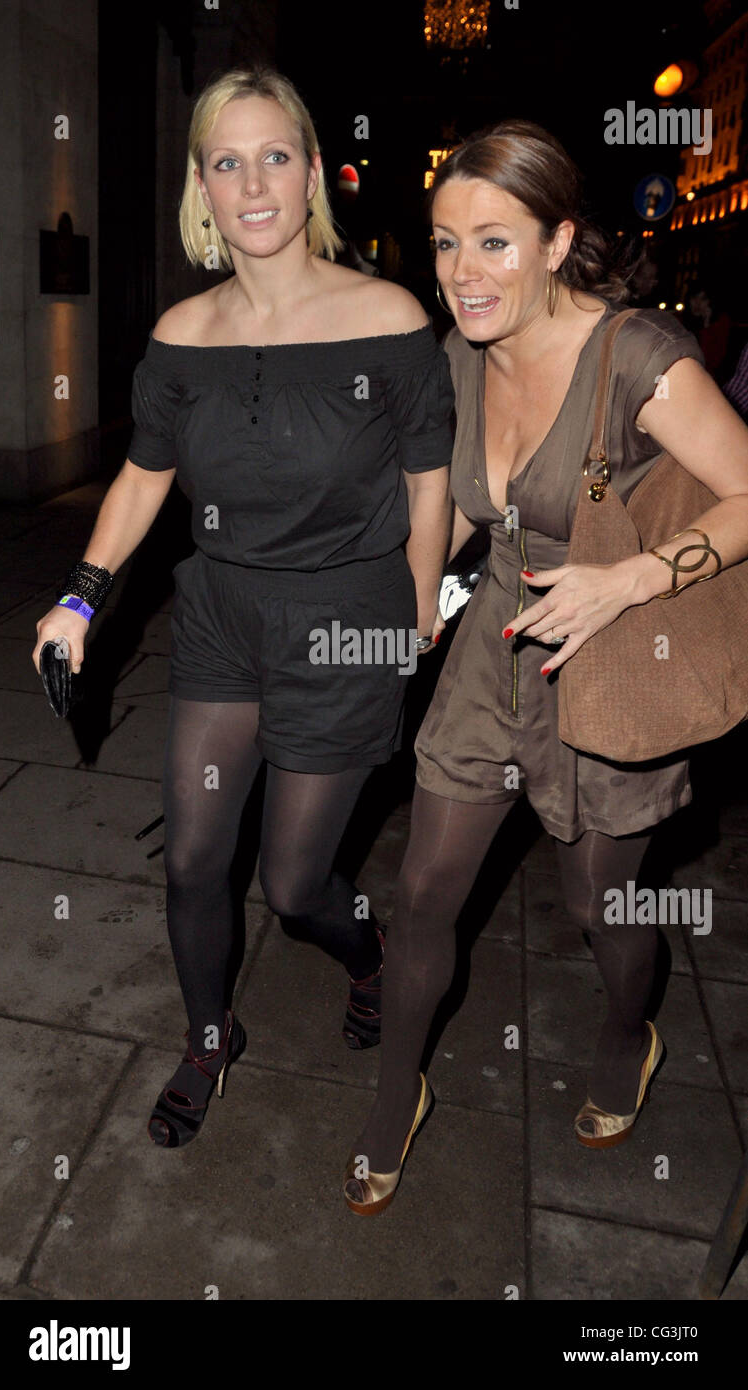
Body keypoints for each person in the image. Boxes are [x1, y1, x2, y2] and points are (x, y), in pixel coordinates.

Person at [32, 65, 452, 1149]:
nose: (252, 182)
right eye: (227, 161)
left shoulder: (388, 315)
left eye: (275, 156)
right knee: (190, 856)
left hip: (345, 622)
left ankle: (365, 953)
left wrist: (415, 613)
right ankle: (208, 1035)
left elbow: (427, 482)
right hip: (222, 617)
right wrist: (80, 599)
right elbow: (141, 478)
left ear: (313, 173)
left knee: (298, 883)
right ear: (202, 188)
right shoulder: (181, 336)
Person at [342, 119, 748, 1213]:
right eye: (441, 244)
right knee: (424, 890)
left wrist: (626, 583)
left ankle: (628, 1035)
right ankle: (393, 1098)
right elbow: (467, 515)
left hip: (619, 637)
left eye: (493, 243)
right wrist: (416, 594)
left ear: (559, 240)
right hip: (499, 641)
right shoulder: (454, 355)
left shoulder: (640, 359)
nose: (462, 275)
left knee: (596, 895)